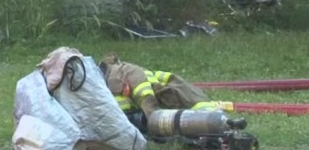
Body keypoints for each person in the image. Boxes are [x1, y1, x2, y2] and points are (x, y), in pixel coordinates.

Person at [99, 54, 235, 114]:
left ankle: (210, 109)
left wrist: (152, 115)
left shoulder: (122, 73)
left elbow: (144, 92)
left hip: (177, 99)